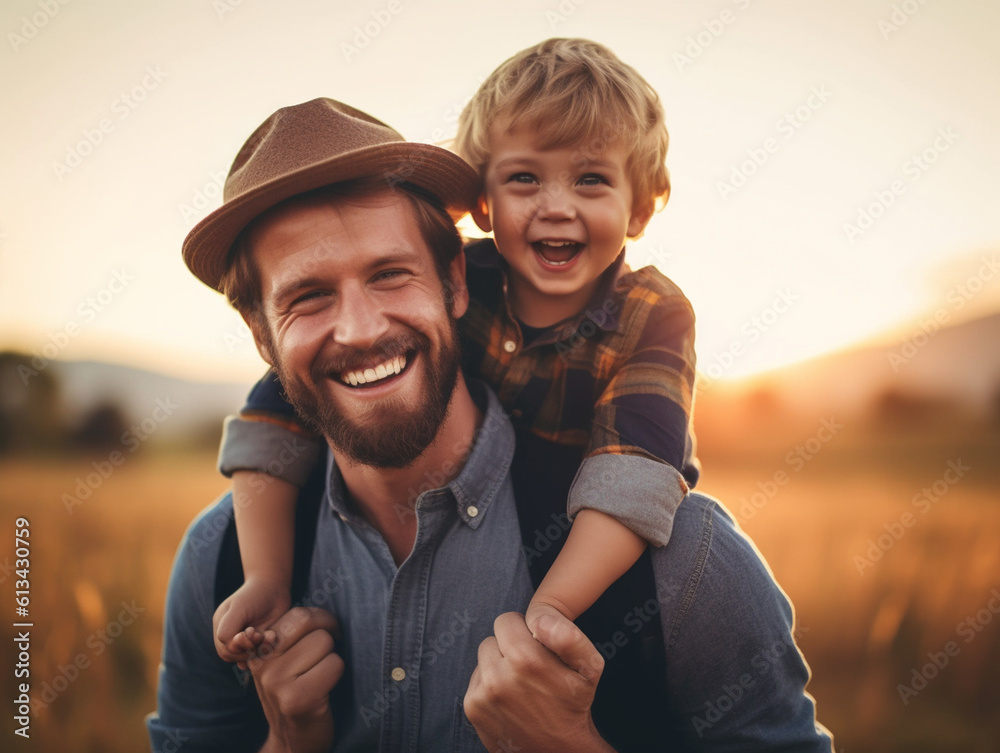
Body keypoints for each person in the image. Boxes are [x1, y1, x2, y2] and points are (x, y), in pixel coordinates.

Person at [146, 96, 834, 751]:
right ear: (261, 334)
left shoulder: (680, 562)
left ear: (456, 280)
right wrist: (286, 744)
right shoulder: (218, 561)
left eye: (389, 274)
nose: (359, 329)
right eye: (308, 296)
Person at [213, 37, 699, 668]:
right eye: (525, 178)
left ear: (641, 206)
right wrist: (265, 578)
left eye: (592, 179)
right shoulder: (449, 281)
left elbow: (635, 474)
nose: (557, 206)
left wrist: (549, 608)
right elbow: (277, 412)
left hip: (585, 533)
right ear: (483, 205)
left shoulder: (651, 315)